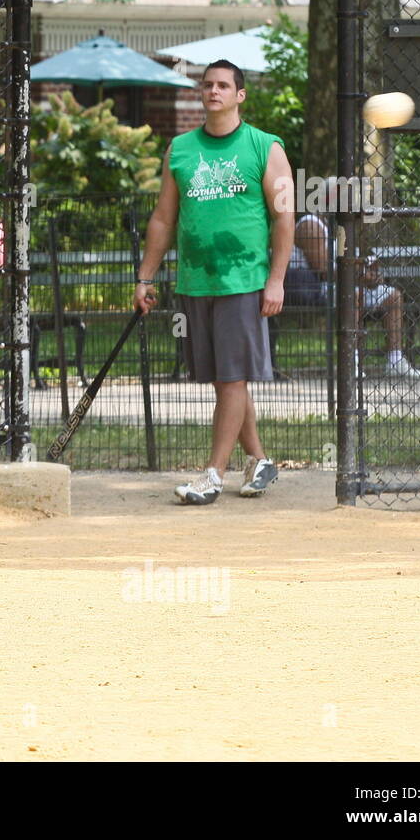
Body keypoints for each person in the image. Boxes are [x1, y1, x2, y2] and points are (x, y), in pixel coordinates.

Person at [134, 59, 294, 505]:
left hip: (243, 280)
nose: (214, 91)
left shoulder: (266, 147)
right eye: (207, 85)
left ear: (240, 95)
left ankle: (213, 474)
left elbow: (285, 218)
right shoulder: (181, 149)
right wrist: (146, 276)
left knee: (231, 379)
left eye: (224, 85)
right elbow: (164, 218)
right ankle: (259, 460)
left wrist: (276, 280)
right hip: (195, 280)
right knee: (226, 378)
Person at [283, 213, 420, 377]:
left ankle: (395, 360)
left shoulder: (343, 226)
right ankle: (352, 361)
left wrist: (371, 276)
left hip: (349, 284)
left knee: (393, 296)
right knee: (353, 294)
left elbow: (355, 264)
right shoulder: (310, 225)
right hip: (319, 288)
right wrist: (359, 276)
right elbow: (322, 270)